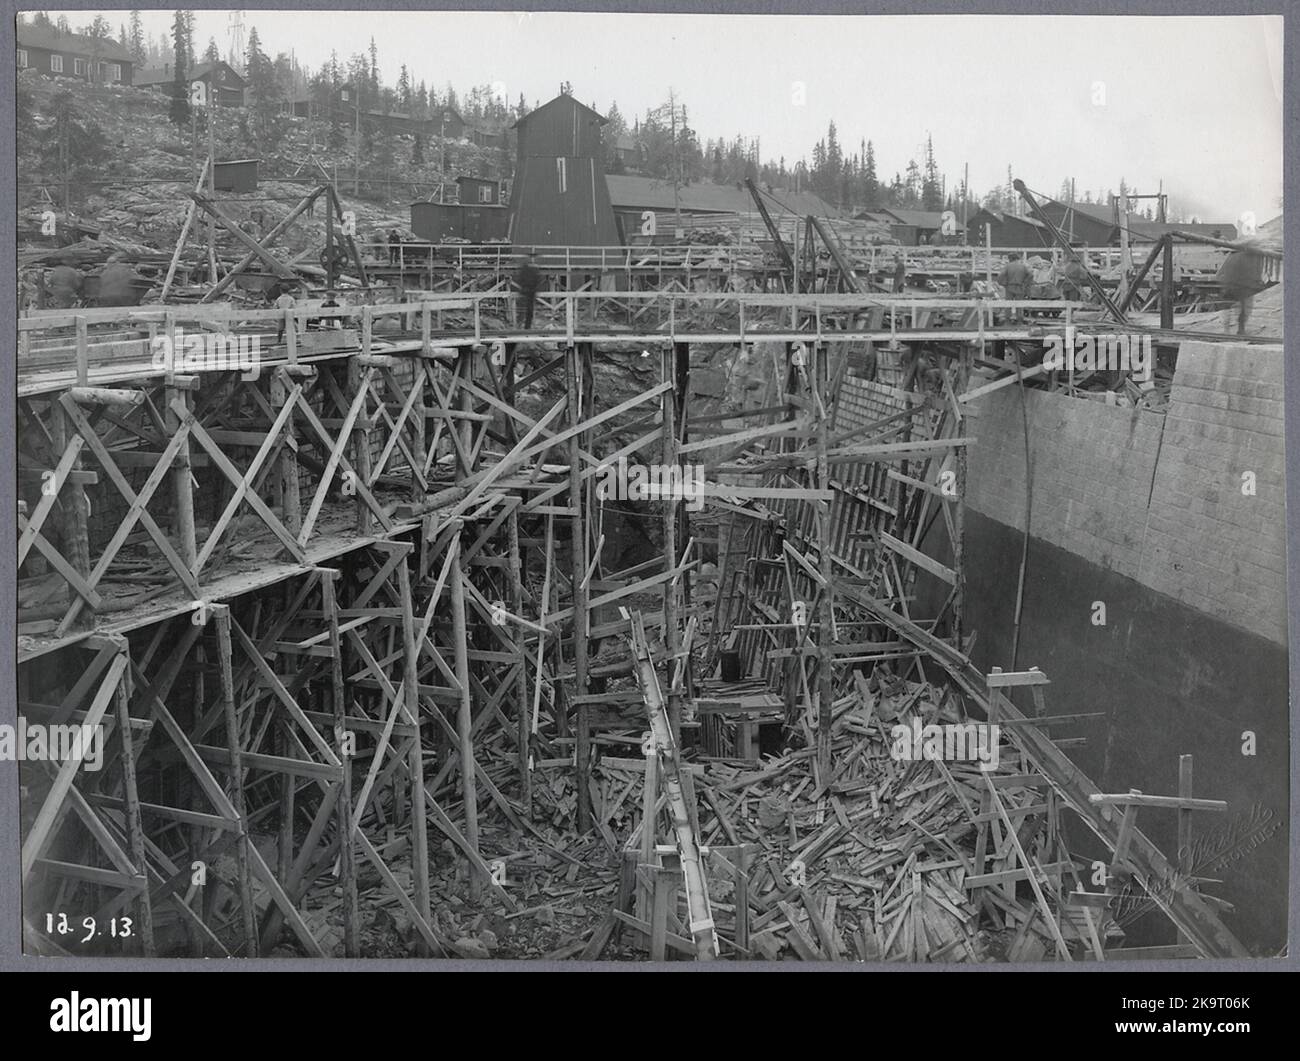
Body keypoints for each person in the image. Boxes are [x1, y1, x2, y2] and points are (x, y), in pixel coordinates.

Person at [1215, 245, 1267, 335]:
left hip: (1226, 283)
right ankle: (1241, 329)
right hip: (1243, 284)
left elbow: (1220, 273)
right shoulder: (1256, 255)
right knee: (1245, 307)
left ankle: (1226, 330)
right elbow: (1256, 273)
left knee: (1226, 305)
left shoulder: (1233, 254)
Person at [999, 253, 1033, 320]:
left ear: (1011, 259)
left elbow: (1001, 275)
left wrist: (1003, 283)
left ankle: (1007, 320)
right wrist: (1025, 283)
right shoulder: (1023, 266)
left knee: (1008, 304)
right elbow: (1030, 275)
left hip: (1009, 287)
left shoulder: (1007, 266)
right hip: (1020, 287)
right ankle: (1019, 319)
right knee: (1019, 305)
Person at [514, 250, 542, 329]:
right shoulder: (529, 268)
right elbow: (522, 279)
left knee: (528, 311)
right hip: (527, 292)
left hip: (529, 292)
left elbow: (521, 279)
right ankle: (521, 327)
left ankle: (525, 327)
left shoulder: (528, 268)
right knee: (523, 311)